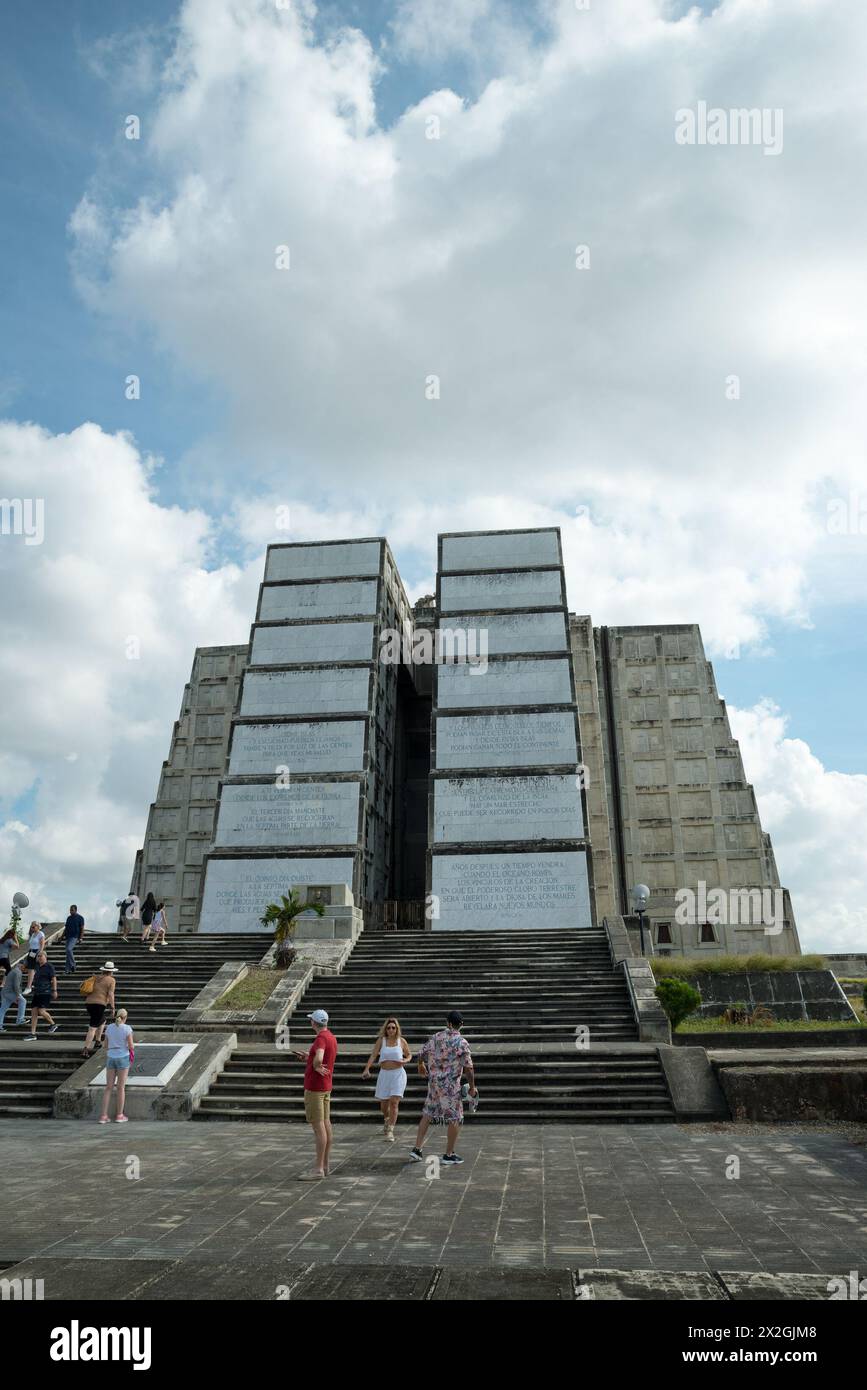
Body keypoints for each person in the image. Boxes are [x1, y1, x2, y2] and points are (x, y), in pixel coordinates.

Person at [409, 1010, 476, 1166]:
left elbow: (421, 1053)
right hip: (451, 1087)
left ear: (448, 1023)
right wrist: (472, 1087)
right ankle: (448, 1154)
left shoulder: (436, 1037)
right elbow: (469, 1068)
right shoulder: (462, 1042)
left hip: (434, 1085)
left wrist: (421, 1065)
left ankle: (417, 1149)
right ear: (462, 1025)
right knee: (455, 1118)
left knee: (427, 1114)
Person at [292, 1009, 338, 1181]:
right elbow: (321, 1056)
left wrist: (316, 1065)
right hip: (326, 1086)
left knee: (319, 1130)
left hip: (315, 1087)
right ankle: (325, 1166)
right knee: (326, 1125)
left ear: (313, 1022)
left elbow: (319, 1058)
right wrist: (309, 1057)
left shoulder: (320, 1038)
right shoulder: (331, 1037)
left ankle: (318, 1169)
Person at [362, 1017, 412, 1142]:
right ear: (385, 1029)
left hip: (398, 1075)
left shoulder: (402, 1041)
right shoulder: (381, 1041)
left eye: (393, 1028)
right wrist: (367, 1069)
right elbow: (374, 1055)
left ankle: (390, 1130)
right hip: (384, 1074)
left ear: (397, 1029)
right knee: (384, 1105)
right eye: (388, 1027)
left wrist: (405, 1060)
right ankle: (386, 1118)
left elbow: (409, 1054)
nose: (391, 1030)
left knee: (394, 1102)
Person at [98, 1008, 134, 1124]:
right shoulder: (127, 1028)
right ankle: (119, 1115)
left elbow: (105, 1045)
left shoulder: (109, 1027)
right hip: (123, 1057)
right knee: (120, 1087)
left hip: (111, 1057)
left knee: (108, 1087)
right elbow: (131, 1045)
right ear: (125, 1017)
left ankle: (103, 1116)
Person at [82, 962, 118, 1059]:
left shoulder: (96, 978)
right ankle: (86, 1049)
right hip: (99, 1004)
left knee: (102, 1020)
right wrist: (113, 1007)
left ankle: (98, 1041)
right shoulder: (111, 980)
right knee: (92, 1027)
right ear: (111, 972)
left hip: (89, 1003)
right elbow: (111, 994)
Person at [24, 950, 59, 1040]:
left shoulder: (49, 966)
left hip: (45, 992)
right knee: (34, 1012)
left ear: (45, 957)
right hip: (37, 992)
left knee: (41, 1011)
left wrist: (55, 990)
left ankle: (53, 1024)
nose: (39, 957)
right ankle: (32, 1033)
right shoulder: (37, 967)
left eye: (41, 956)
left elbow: (54, 979)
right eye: (38, 956)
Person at [0, 963, 27, 1031]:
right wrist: (18, 995)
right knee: (23, 1001)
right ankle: (20, 1020)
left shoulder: (13, 971)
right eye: (25, 968)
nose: (25, 970)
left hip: (5, 992)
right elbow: (16, 985)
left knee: (2, 1009)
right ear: (21, 966)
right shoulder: (18, 972)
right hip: (10, 992)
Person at [21, 923, 46, 996]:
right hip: (31, 952)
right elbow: (31, 945)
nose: (32, 928)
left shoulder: (40, 934)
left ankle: (28, 987)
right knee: (31, 969)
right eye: (31, 927)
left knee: (32, 969)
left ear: (38, 927)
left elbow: (42, 944)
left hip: (36, 952)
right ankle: (32, 984)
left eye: (33, 927)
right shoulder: (33, 934)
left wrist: (39, 954)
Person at [62, 904, 85, 974]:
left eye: (72, 910)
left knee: (69, 949)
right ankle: (67, 970)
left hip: (74, 937)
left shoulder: (80, 918)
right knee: (68, 953)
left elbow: (82, 928)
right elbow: (66, 928)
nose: (70, 911)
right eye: (70, 910)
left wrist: (81, 938)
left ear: (75, 910)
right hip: (68, 937)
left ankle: (73, 965)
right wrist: (62, 936)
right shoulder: (68, 918)